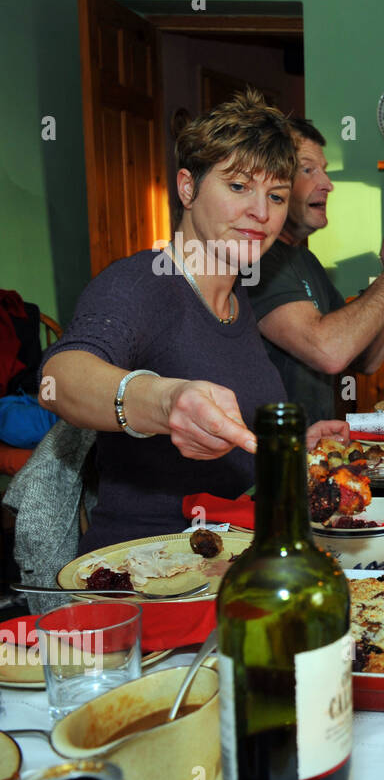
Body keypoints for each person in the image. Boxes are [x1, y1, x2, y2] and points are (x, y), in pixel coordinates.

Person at [40, 91, 344, 552]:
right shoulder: (143, 282)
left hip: (234, 550)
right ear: (188, 187)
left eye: (276, 196)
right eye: (238, 187)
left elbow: (223, 436)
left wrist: (289, 444)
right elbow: (59, 379)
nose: (261, 213)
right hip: (149, 570)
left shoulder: (238, 293)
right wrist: (166, 400)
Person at [248, 118, 384, 423]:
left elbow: (366, 359)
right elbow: (329, 351)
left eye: (323, 170)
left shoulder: (305, 259)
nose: (327, 184)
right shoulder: (257, 258)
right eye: (309, 169)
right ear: (274, 181)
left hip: (318, 452)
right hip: (276, 457)